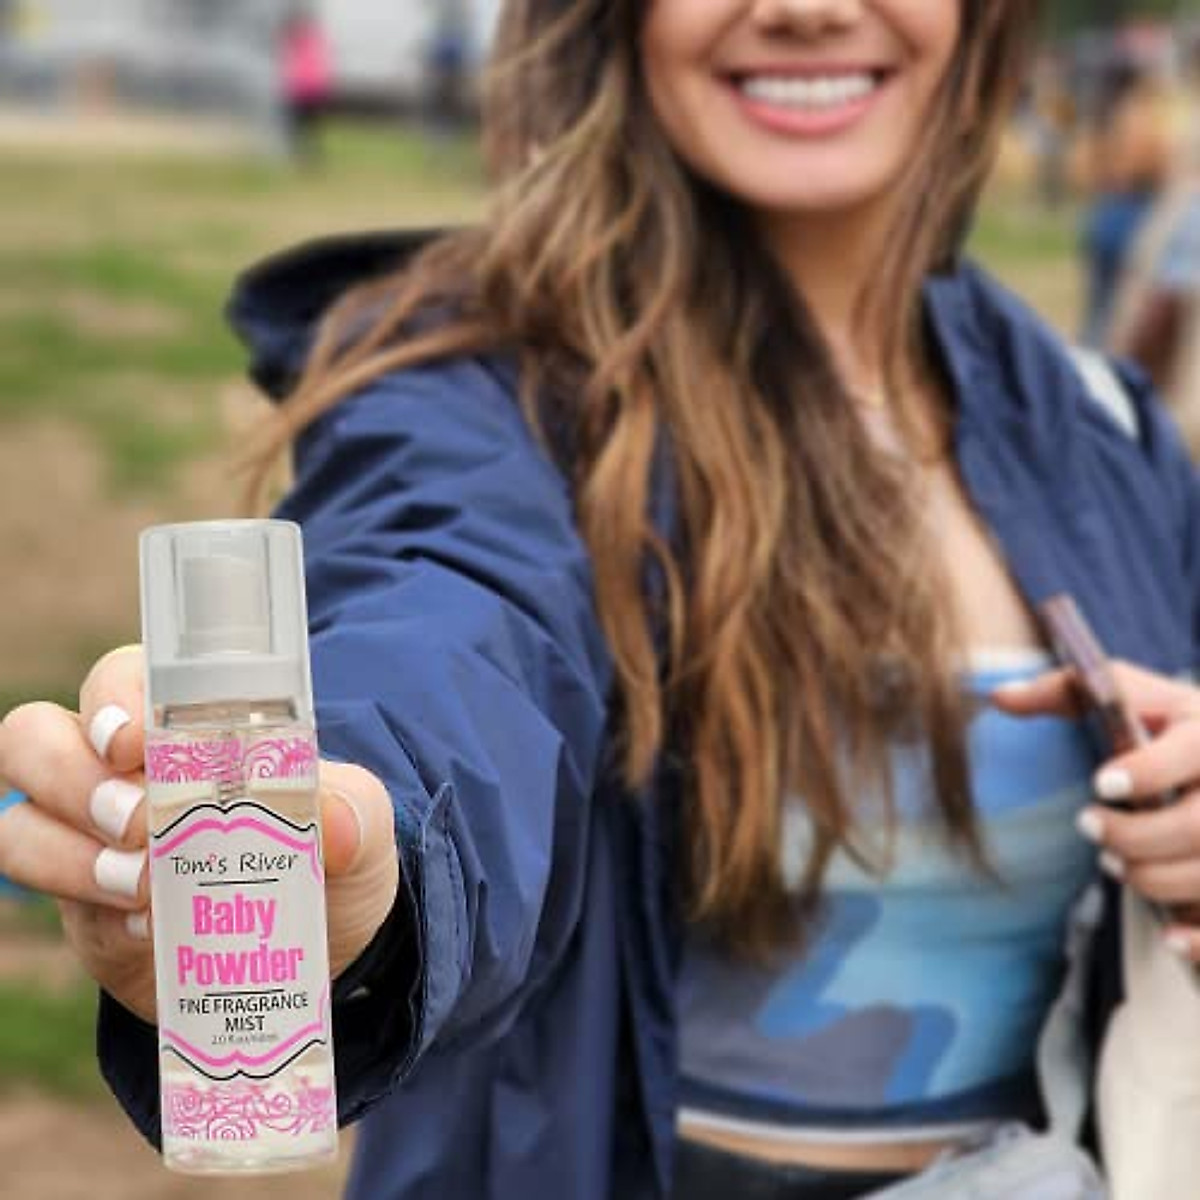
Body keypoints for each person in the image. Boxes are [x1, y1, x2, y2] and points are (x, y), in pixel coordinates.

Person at [3, 2, 1200, 1198]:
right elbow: (445, 625)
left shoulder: (1103, 430)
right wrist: (366, 840)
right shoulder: (479, 392)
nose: (809, 10)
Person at [1077, 54, 1173, 347]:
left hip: (1103, 209)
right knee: (1120, 310)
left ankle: (1089, 357)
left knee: (1097, 305)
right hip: (1131, 209)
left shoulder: (1105, 115)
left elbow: (1084, 168)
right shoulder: (1139, 117)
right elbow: (1153, 165)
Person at [278, 7, 333, 163]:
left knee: (298, 125)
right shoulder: (315, 37)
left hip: (300, 87)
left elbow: (288, 62)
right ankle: (311, 156)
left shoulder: (294, 38)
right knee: (310, 126)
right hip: (313, 86)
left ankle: (301, 155)